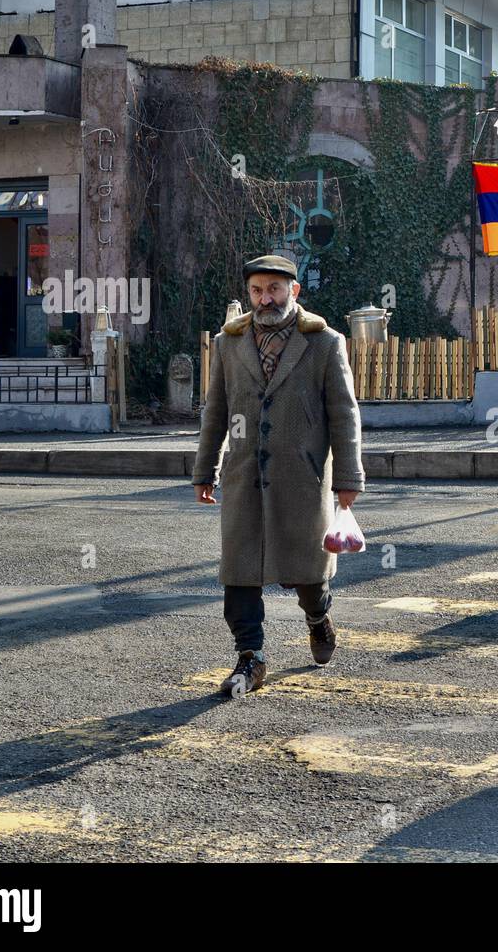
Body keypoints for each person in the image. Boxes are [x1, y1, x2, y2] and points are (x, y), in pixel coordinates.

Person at [193, 254, 366, 696]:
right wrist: (205, 469)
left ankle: (318, 616)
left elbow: (344, 414)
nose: (264, 299)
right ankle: (250, 657)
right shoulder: (229, 343)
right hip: (243, 475)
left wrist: (348, 479)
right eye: (256, 290)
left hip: (302, 477)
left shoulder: (325, 343)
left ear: (294, 291)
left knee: (307, 574)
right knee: (240, 573)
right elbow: (216, 411)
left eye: (273, 289)